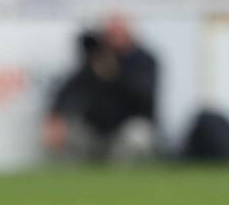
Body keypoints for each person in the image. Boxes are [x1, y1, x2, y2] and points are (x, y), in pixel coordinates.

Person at [42, 16, 159, 162]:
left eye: (117, 34)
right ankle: (76, 180)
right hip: (95, 131)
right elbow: (70, 89)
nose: (113, 39)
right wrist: (56, 116)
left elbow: (144, 97)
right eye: (109, 35)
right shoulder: (96, 59)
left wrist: (115, 74)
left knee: (139, 134)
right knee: (63, 131)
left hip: (125, 131)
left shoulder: (143, 60)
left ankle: (122, 180)